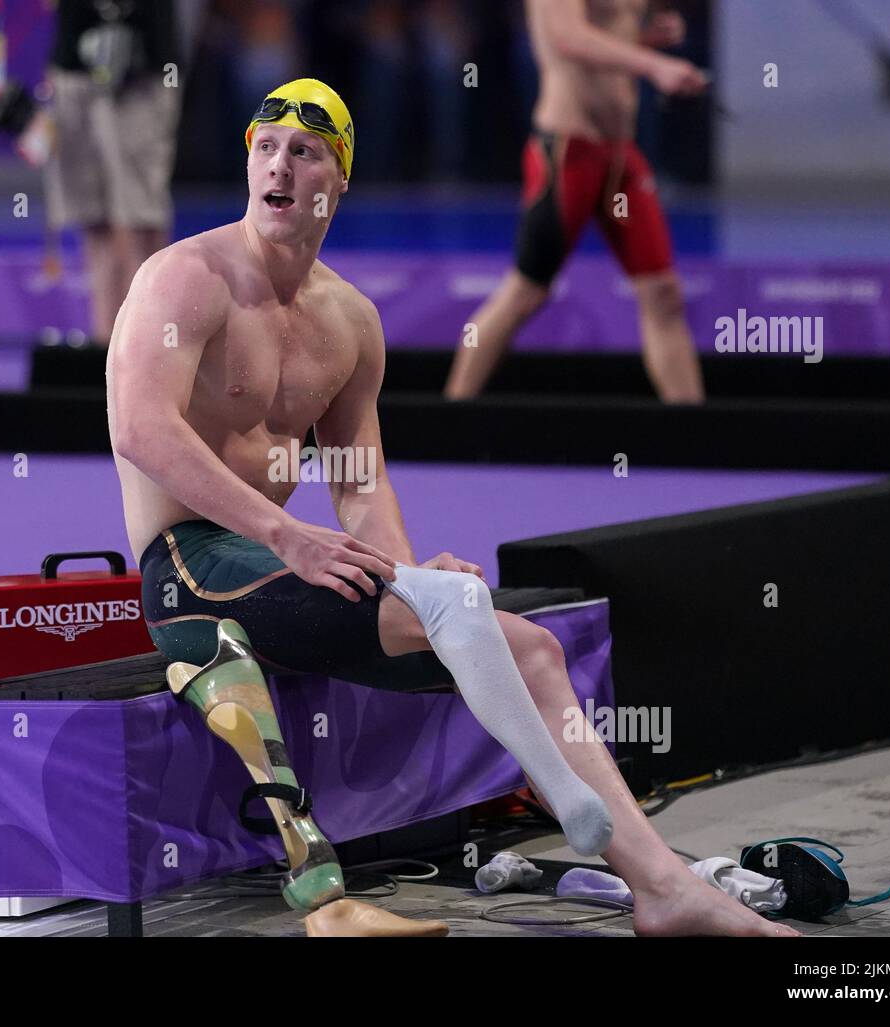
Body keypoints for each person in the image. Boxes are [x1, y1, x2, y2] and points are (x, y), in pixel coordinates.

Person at [106, 77, 797, 936]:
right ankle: (569, 814)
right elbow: (141, 428)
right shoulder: (184, 279)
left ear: (338, 179)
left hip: (286, 565)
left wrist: (399, 572)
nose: (280, 166)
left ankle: (662, 887)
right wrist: (285, 531)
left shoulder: (350, 320)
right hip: (189, 568)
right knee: (449, 608)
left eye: (305, 152)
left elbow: (359, 480)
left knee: (536, 649)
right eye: (265, 148)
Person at [444, 0, 707, 402]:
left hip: (619, 154)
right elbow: (567, 37)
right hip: (568, 151)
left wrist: (643, 38)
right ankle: (451, 414)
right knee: (526, 292)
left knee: (662, 293)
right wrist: (653, 64)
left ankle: (697, 442)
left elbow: (605, 33)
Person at [44, 0, 181, 346]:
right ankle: (105, 347)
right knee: (94, 219)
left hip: (141, 68)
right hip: (74, 65)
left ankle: (147, 348)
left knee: (137, 219)